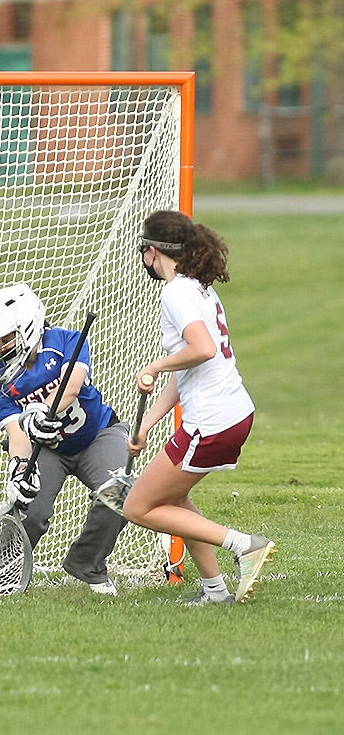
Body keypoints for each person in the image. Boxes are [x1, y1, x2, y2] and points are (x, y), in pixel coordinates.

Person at [122, 209, 275, 605]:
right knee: (171, 498)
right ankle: (215, 591)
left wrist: (155, 364)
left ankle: (245, 545)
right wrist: (148, 424)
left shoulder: (175, 292)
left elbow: (202, 350)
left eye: (144, 251)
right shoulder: (198, 286)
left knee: (137, 506)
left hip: (212, 422)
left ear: (154, 251)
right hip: (233, 413)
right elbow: (188, 368)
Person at [0, 283, 129, 595]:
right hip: (49, 449)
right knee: (30, 508)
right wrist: (18, 468)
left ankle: (87, 563)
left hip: (97, 434)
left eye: (4, 338)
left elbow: (72, 385)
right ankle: (7, 574)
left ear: (27, 328)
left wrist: (43, 407)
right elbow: (16, 433)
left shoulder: (66, 341)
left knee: (121, 492)